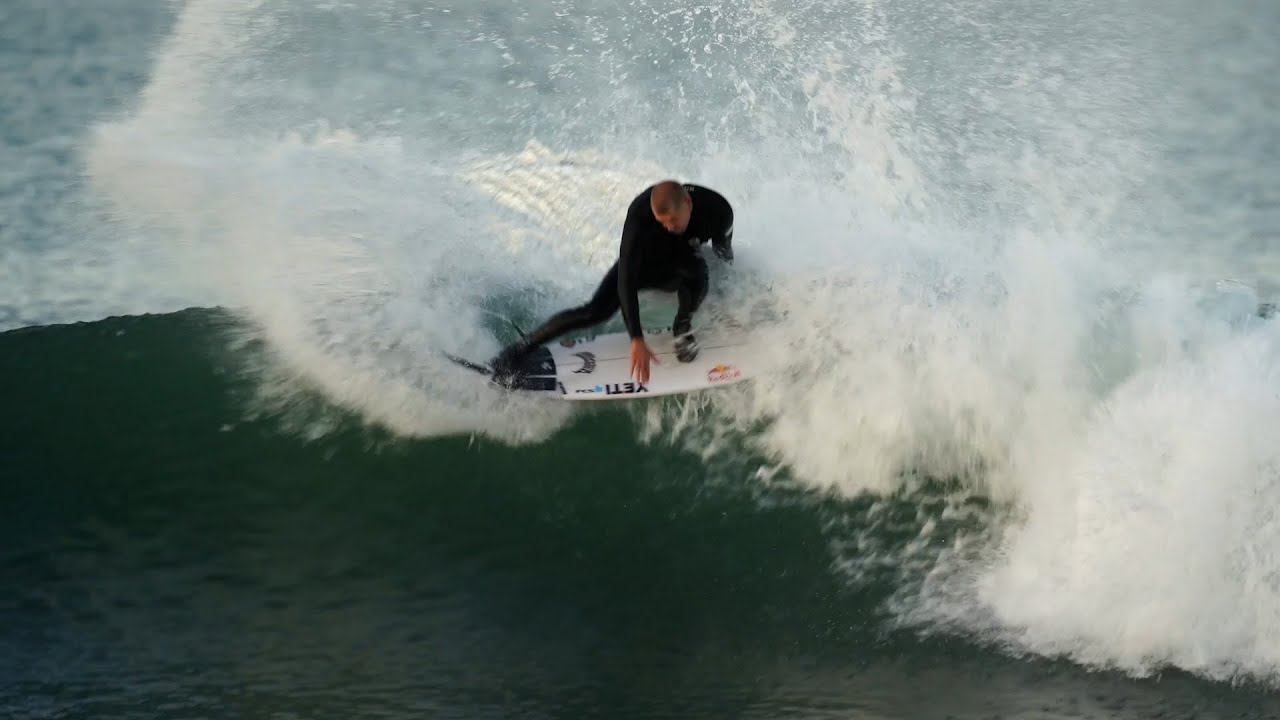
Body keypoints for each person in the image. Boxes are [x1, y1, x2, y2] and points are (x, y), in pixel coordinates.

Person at [489, 180, 734, 384]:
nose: (669, 228)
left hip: (682, 266)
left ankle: (682, 327)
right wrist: (636, 338)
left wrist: (725, 296)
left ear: (688, 204)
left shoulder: (718, 211)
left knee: (699, 271)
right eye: (663, 223)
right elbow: (626, 275)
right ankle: (520, 349)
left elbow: (724, 255)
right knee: (593, 312)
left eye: (674, 221)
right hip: (643, 267)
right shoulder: (639, 214)